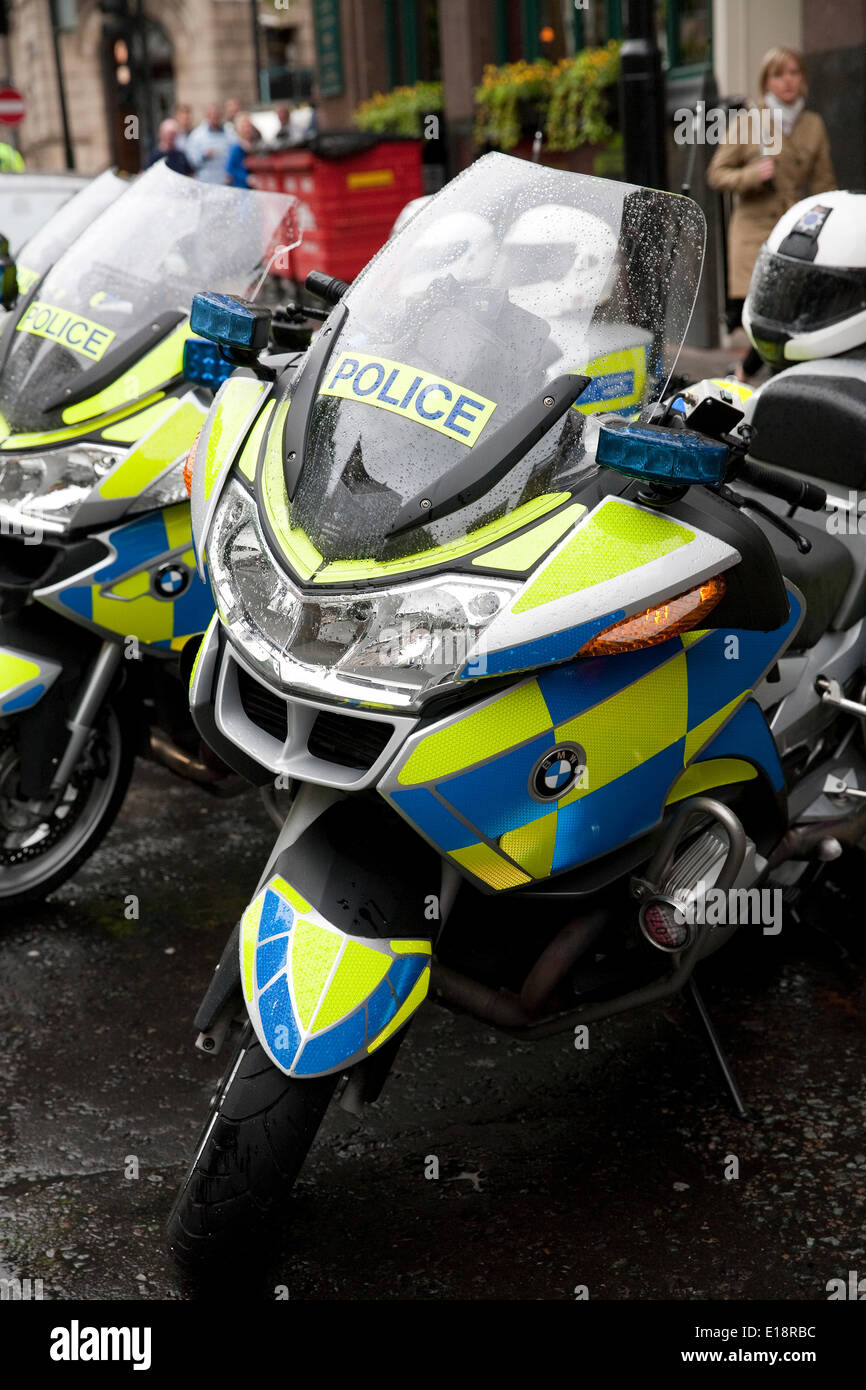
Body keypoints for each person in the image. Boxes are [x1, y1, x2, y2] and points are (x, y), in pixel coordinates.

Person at [708, 45, 835, 381]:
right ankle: (751, 377)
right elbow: (717, 174)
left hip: (793, 232)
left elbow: (824, 184)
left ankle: (749, 376)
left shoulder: (813, 125)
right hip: (752, 234)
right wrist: (752, 175)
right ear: (766, 82)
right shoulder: (751, 121)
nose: (788, 81)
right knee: (764, 314)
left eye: (794, 72)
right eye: (779, 74)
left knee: (790, 310)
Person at [185, 103, 237, 184]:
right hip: (205, 181)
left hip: (225, 181)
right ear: (206, 115)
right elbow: (192, 161)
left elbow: (236, 154)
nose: (214, 117)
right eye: (211, 115)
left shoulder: (229, 133)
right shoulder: (197, 135)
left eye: (216, 115)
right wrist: (204, 156)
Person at [226, 114, 261, 188]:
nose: (248, 129)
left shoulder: (255, 144)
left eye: (249, 126)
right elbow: (230, 169)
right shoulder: (236, 147)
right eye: (245, 127)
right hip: (242, 188)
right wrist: (246, 178)